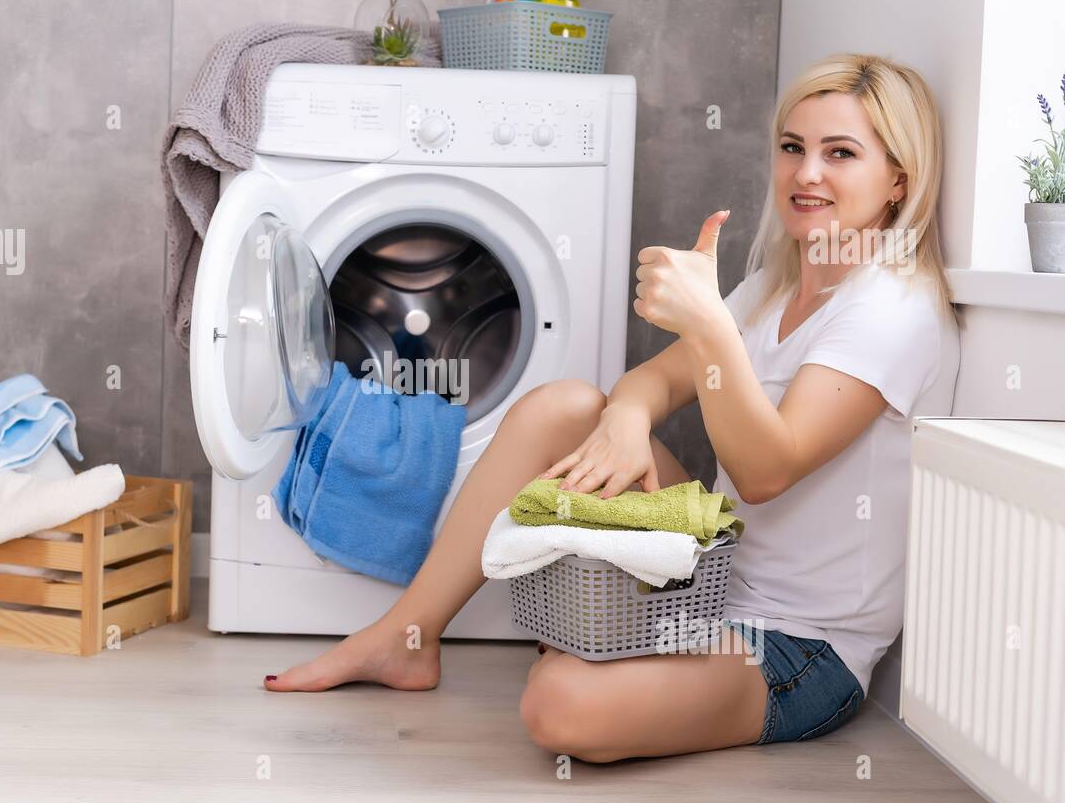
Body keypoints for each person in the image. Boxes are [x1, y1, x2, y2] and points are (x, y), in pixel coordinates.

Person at [263, 52, 961, 762]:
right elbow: (648, 384)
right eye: (793, 148)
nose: (807, 173)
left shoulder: (891, 310)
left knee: (559, 703)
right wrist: (629, 418)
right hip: (708, 577)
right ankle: (404, 638)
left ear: (898, 178)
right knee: (563, 406)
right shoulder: (772, 291)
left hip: (798, 647)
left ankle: (605, 655)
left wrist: (708, 324)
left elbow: (765, 473)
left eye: (839, 153)